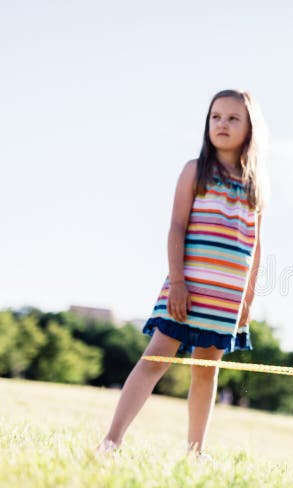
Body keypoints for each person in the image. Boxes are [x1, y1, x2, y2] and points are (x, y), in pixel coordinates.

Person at [98, 89, 266, 454]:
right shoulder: (195, 170)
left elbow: (256, 247)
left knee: (206, 370)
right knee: (156, 358)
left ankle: (195, 452)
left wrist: (248, 300)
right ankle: (111, 440)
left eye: (233, 118)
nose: (222, 124)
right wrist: (177, 282)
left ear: (250, 128)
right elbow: (176, 226)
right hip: (187, 287)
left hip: (226, 298)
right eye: (215, 117)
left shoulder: (256, 185)